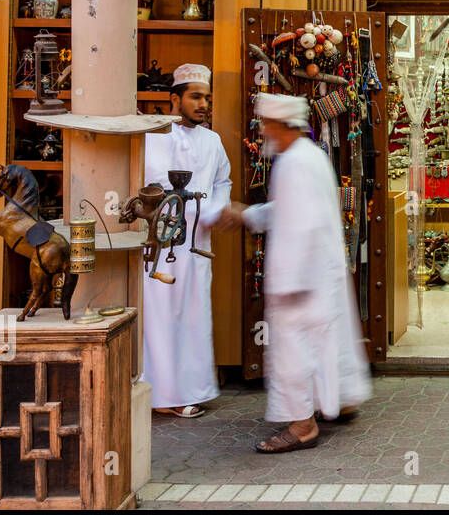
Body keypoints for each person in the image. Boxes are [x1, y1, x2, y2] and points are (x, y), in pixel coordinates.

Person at [214, 93, 372, 453]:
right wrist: (247, 215)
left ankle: (302, 426)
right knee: (327, 342)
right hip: (320, 275)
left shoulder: (296, 163)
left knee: (294, 351)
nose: (263, 131)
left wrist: (288, 284)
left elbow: (302, 225)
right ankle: (340, 400)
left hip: (302, 278)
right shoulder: (308, 157)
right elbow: (289, 210)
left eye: (266, 124)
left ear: (280, 125)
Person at [142, 64, 231, 418]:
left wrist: (212, 210)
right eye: (196, 97)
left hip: (199, 244)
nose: (204, 104)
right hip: (164, 245)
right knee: (162, 317)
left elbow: (223, 182)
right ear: (174, 99)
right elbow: (149, 185)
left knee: (194, 316)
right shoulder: (155, 135)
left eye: (207, 98)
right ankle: (162, 395)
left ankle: (190, 390)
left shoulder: (213, 141)